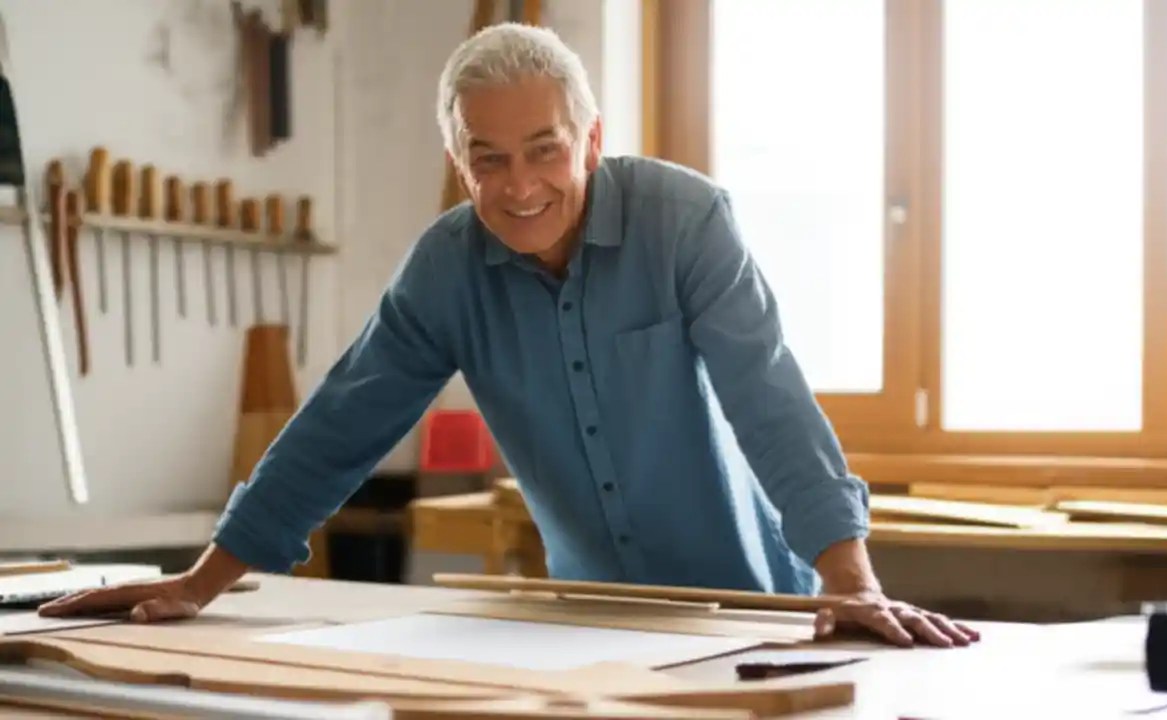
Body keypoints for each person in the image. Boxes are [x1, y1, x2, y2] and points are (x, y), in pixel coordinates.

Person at [41, 23, 979, 649]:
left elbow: (769, 399)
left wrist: (849, 578)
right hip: (590, 624)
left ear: (591, 138)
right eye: (487, 159)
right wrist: (203, 580)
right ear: (459, 162)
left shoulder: (686, 221)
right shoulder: (445, 269)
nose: (519, 185)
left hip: (757, 610)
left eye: (544, 150)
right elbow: (339, 424)